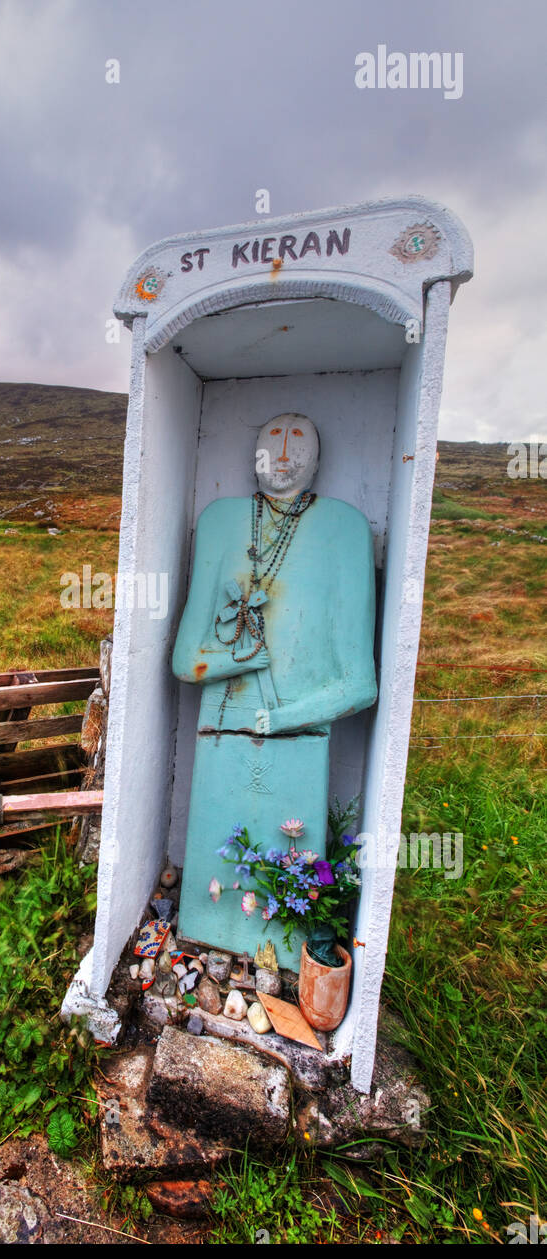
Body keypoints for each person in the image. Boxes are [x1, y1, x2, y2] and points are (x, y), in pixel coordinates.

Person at [171, 412, 377, 966]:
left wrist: (286, 718)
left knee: (284, 862)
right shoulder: (221, 521)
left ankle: (281, 961)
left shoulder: (344, 528)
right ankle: (207, 938)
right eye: (272, 440)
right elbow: (184, 660)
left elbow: (361, 684)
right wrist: (241, 656)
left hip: (300, 744)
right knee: (216, 873)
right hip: (220, 731)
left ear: (318, 458)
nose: (284, 452)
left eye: (298, 441)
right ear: (253, 453)